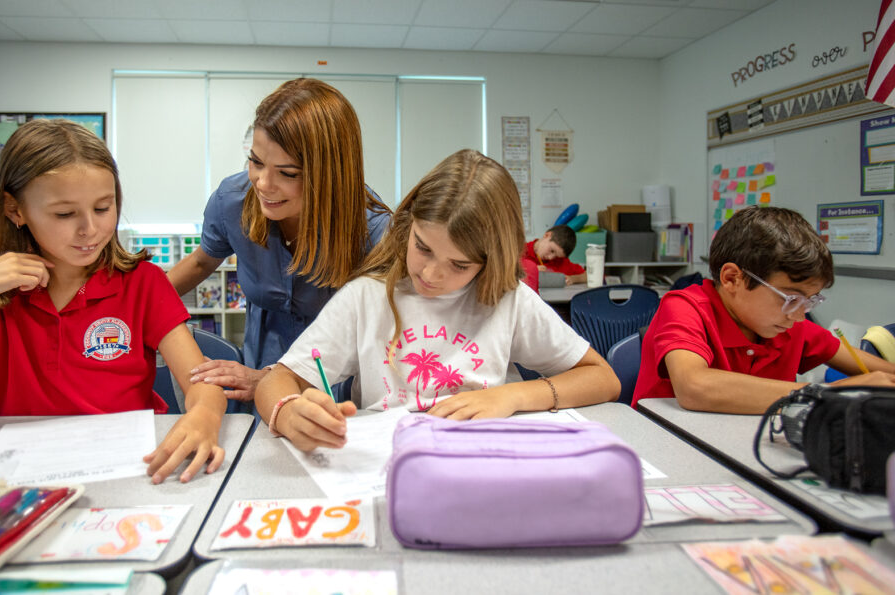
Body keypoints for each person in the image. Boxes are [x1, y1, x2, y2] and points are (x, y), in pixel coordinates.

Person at [254, 149, 620, 452]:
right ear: (408, 225)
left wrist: (511, 397)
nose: (430, 274)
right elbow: (276, 381)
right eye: (422, 248)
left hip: (490, 460)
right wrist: (288, 413)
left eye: (459, 265)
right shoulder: (367, 297)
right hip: (390, 462)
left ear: (491, 260)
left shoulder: (509, 301)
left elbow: (602, 378)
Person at [0, 119, 227, 484]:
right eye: (65, 214)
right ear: (14, 210)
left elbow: (201, 381)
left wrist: (205, 415)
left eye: (103, 208)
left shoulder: (142, 283)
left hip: (129, 472)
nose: (89, 229)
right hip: (31, 476)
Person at [168, 78, 391, 402]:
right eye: (256, 162)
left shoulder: (372, 230)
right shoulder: (232, 200)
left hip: (334, 381)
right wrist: (132, 306)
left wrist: (273, 380)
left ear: (328, 173)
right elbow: (201, 261)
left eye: (287, 173)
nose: (263, 183)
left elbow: (380, 335)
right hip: (260, 356)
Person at [632, 206, 895, 413]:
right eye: (791, 298)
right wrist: (826, 393)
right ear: (732, 278)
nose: (799, 315)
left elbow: (880, 373)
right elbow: (694, 387)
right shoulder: (686, 307)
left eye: (810, 301)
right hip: (674, 447)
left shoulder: (789, 324)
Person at [520, 224, 586, 292]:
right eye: (552, 250)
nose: (550, 258)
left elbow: (587, 276)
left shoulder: (561, 261)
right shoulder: (519, 251)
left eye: (556, 256)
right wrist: (531, 269)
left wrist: (573, 279)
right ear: (547, 235)